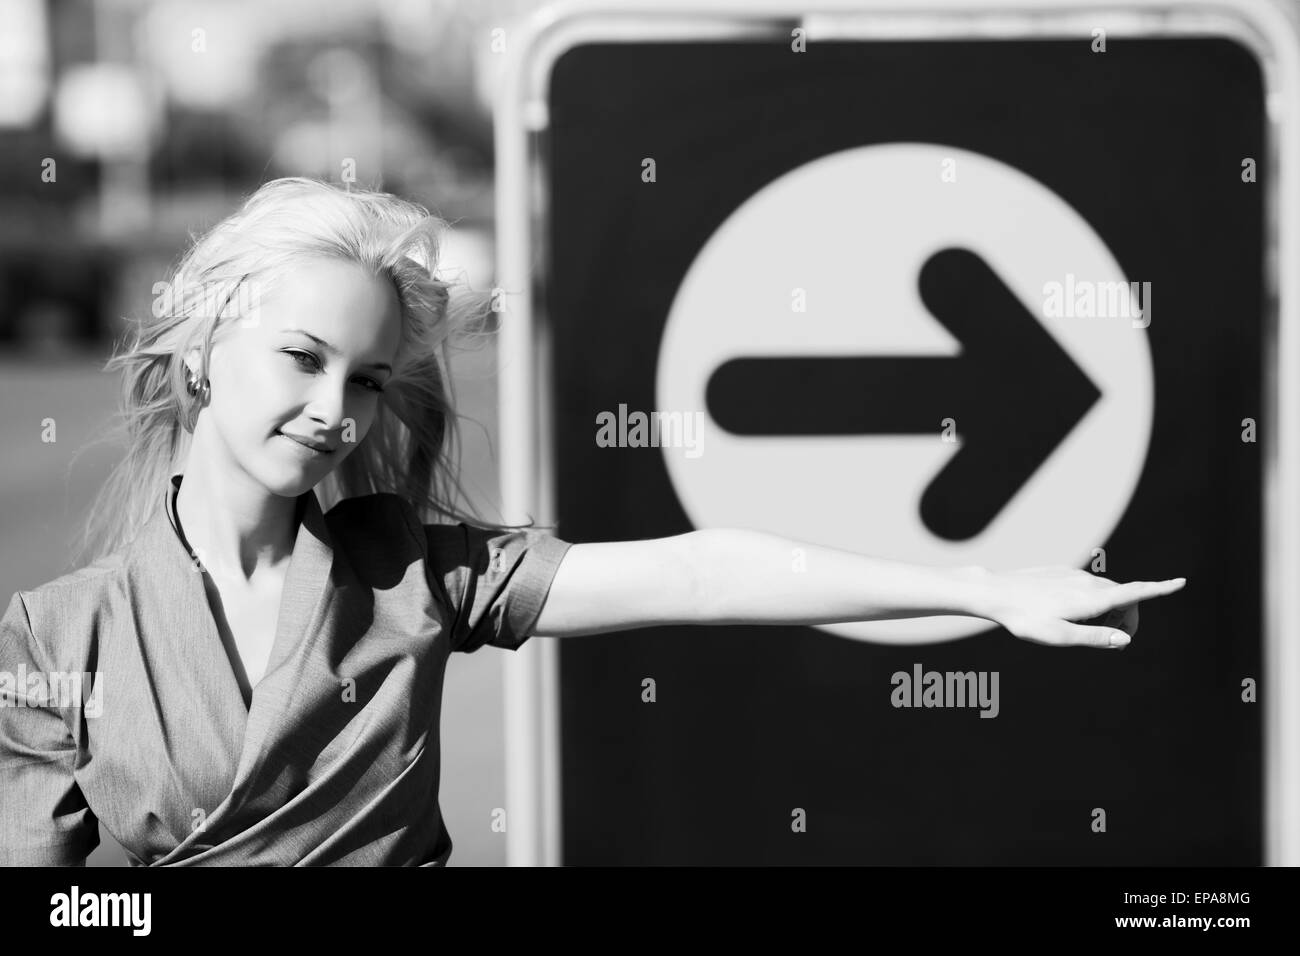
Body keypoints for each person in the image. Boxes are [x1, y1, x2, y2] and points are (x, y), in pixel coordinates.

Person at [0, 178, 1186, 867]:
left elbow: (707, 575)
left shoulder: (412, 569)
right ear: (204, 350)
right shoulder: (51, 640)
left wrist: (983, 587)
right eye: (303, 359)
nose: (333, 411)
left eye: (364, 379)